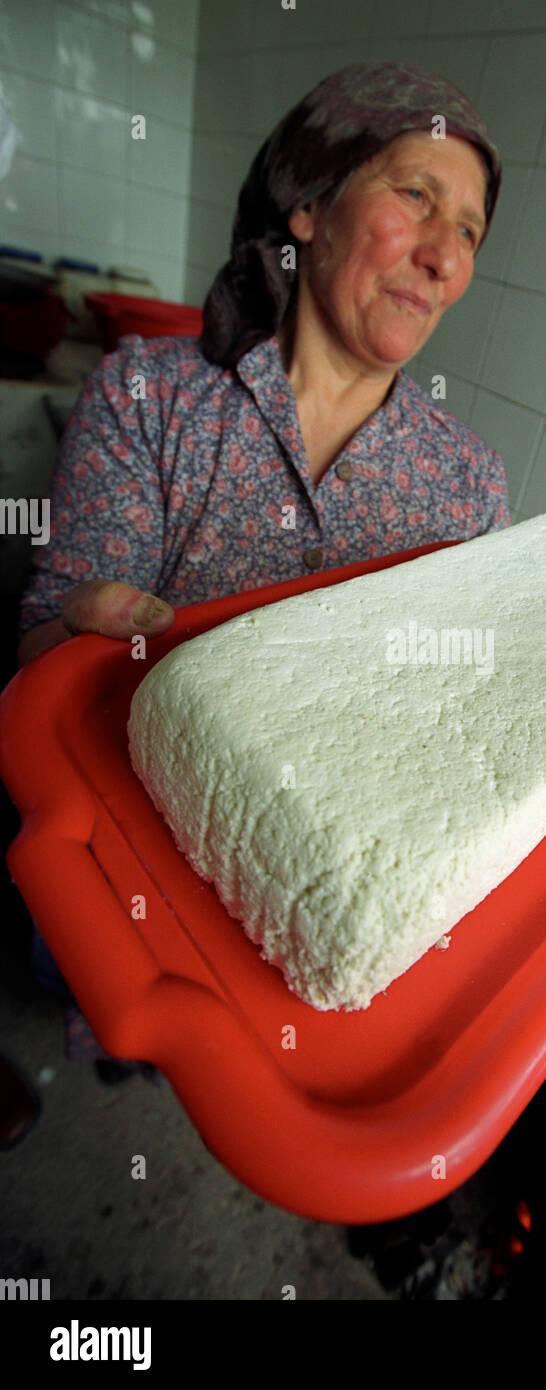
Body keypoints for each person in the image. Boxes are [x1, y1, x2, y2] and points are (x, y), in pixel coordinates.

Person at [12, 61, 510, 1080]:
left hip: (321, 898)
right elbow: (36, 663)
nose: (441, 256)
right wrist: (77, 631)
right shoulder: (148, 397)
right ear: (310, 208)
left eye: (467, 230)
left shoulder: (468, 484)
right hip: (134, 858)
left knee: (262, 1060)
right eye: (416, 196)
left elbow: (455, 732)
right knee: (116, 1007)